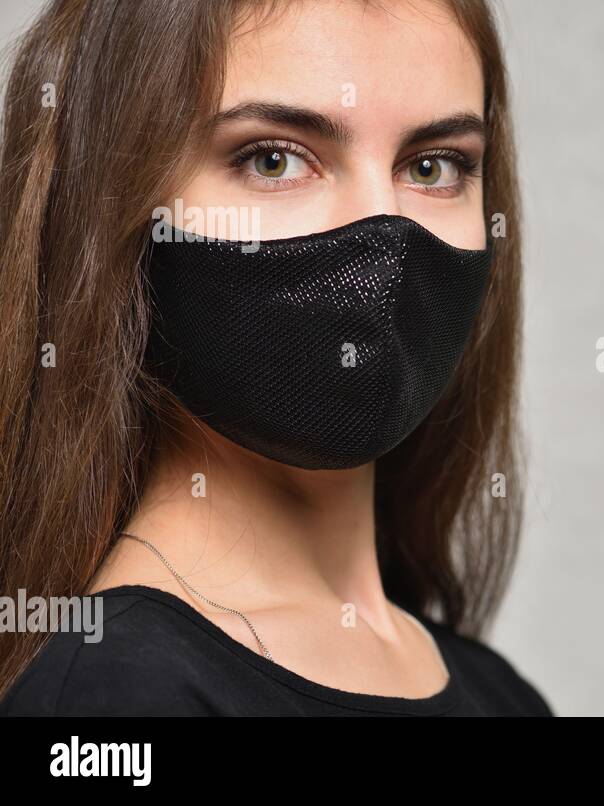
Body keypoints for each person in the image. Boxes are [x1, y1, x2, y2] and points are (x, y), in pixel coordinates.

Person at [0, 0, 551, 716]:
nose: (381, 235)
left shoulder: (500, 697)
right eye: (274, 159)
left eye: (433, 166)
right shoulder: (115, 695)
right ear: (117, 208)